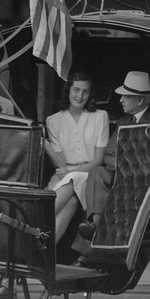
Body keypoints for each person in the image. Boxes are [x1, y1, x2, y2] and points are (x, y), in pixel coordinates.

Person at [77, 71, 150, 241]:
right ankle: (96, 223)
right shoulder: (123, 121)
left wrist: (126, 166)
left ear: (139, 100)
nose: (120, 100)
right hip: (119, 174)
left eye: (125, 97)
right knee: (97, 172)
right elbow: (108, 155)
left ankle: (84, 254)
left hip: (140, 179)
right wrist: (121, 165)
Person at [44, 71, 109, 243]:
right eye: (76, 90)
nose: (80, 96)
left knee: (73, 179)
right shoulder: (54, 120)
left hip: (90, 175)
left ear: (90, 94)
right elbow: (61, 164)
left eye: (85, 91)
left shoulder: (100, 117)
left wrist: (70, 173)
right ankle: (45, 250)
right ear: (68, 91)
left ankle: (37, 220)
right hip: (63, 174)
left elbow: (98, 160)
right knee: (71, 203)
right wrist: (48, 149)